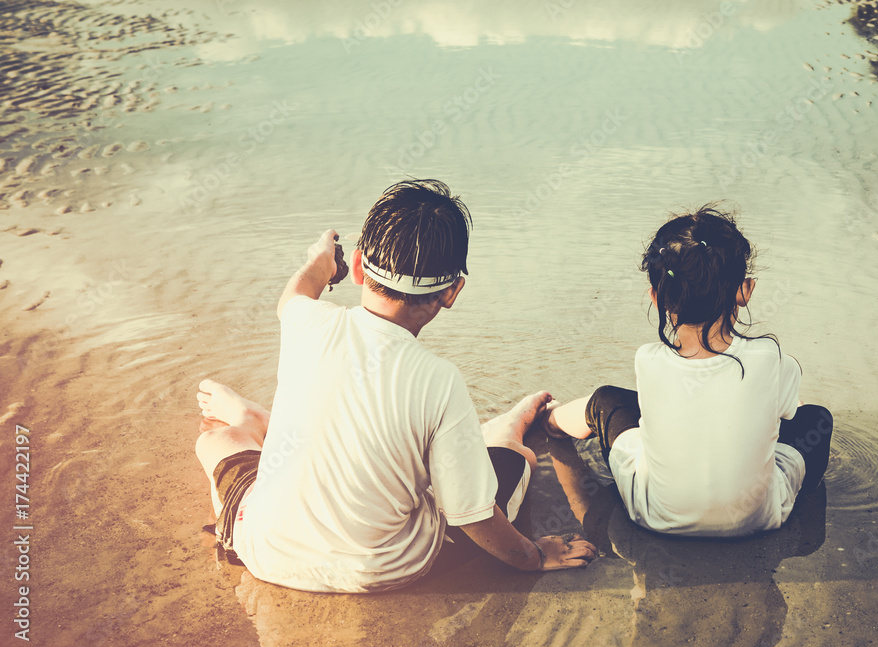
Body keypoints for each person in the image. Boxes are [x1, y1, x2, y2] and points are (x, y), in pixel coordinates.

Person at [194, 179, 597, 593]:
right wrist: (533, 557)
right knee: (514, 458)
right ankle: (508, 427)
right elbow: (471, 515)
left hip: (265, 552)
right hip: (379, 571)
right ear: (453, 292)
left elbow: (295, 293)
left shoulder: (305, 320)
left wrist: (320, 260)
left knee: (216, 443)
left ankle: (254, 421)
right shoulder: (439, 379)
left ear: (354, 267)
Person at [544, 205, 833, 537]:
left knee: (607, 400)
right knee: (816, 419)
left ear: (656, 297)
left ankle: (551, 422)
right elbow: (786, 415)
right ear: (745, 290)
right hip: (759, 520)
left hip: (655, 517)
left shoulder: (648, 361)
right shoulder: (773, 359)